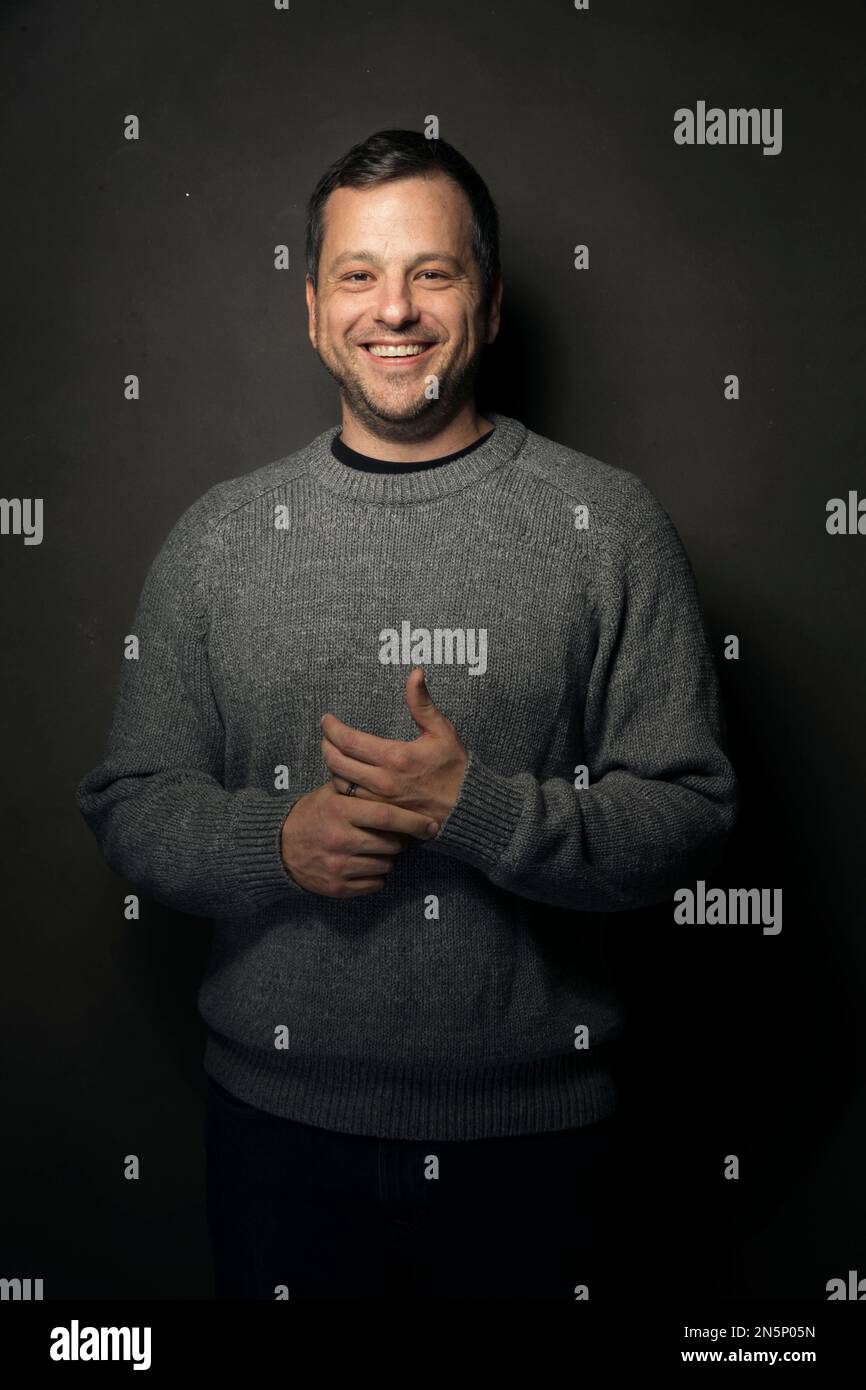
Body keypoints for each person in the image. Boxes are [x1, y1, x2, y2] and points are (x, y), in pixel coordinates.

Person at [76, 128, 738, 1301]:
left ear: (483, 305)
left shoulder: (608, 526)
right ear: (313, 310)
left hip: (540, 1152)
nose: (396, 308)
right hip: (278, 1140)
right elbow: (131, 804)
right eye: (358, 274)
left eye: (431, 273)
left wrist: (476, 812)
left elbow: (687, 814)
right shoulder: (218, 539)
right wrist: (272, 843)